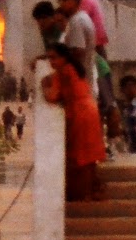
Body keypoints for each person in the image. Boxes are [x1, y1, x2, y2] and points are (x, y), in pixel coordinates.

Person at [40, 43, 107, 201]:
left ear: (64, 57)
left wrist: (43, 86)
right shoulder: (74, 68)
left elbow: (52, 97)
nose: (51, 62)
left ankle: (85, 194)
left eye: (54, 58)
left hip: (80, 113)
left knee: (81, 155)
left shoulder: (63, 72)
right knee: (89, 155)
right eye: (49, 58)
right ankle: (93, 190)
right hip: (90, 109)